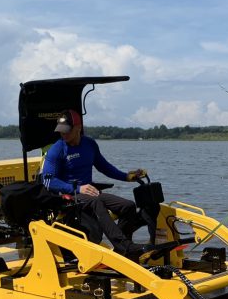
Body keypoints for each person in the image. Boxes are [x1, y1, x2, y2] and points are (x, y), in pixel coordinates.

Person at [42, 109, 150, 259]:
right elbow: (47, 180)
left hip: (90, 193)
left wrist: (126, 177)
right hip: (69, 195)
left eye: (66, 130)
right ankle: (125, 246)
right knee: (96, 202)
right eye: (61, 130)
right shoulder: (57, 149)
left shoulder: (89, 144)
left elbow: (104, 167)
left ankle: (122, 251)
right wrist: (78, 188)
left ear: (78, 128)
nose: (63, 134)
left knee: (128, 206)